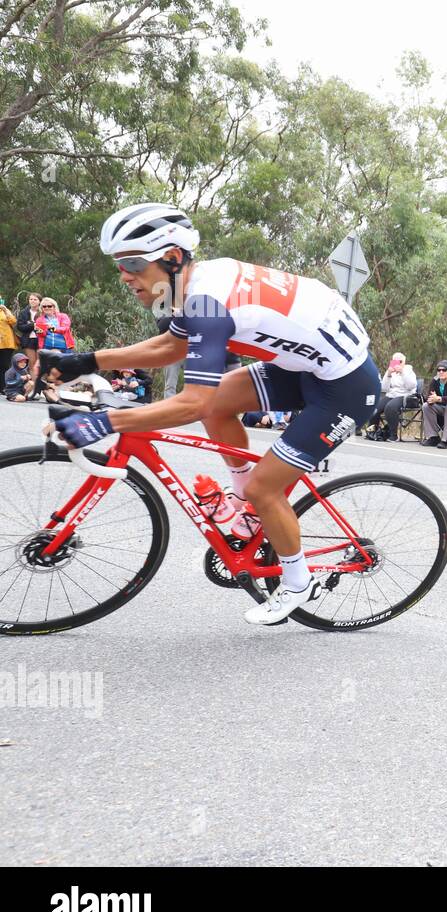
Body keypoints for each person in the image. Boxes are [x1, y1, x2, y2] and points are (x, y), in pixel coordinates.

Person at [43, 201, 380, 625]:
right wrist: (90, 360)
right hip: (302, 368)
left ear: (171, 257)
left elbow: (191, 401)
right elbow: (172, 347)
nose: (124, 275)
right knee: (219, 407)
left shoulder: (208, 303)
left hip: (346, 389)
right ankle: (244, 509)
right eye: (119, 265)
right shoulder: (198, 283)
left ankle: (297, 581)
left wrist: (102, 422)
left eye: (132, 262)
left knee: (265, 487)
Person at [369, 352, 417, 441]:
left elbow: (411, 386)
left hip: (406, 396)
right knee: (375, 406)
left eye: (400, 361)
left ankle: (393, 435)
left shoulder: (408, 371)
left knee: (390, 407)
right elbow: (384, 388)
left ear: (404, 362)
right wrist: (389, 375)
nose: (397, 363)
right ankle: (372, 431)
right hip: (391, 395)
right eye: (395, 361)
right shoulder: (390, 371)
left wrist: (402, 373)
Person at [421, 360, 447, 448]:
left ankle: (445, 440)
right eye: (439, 370)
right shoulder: (435, 380)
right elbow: (429, 396)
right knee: (426, 406)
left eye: (444, 370)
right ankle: (434, 437)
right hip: (441, 408)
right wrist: (431, 399)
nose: (441, 372)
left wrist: (439, 399)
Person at [16, 292, 41, 376]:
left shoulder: (43, 312)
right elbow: (20, 327)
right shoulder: (24, 312)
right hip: (28, 340)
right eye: (31, 299)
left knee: (41, 363)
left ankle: (43, 385)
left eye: (35, 299)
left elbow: (46, 325)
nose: (32, 301)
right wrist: (32, 325)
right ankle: (34, 386)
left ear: (39, 301)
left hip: (41, 340)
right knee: (32, 363)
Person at [0, 295, 18, 371]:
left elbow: (13, 321)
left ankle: (3, 383)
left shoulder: (4, 311)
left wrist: (6, 310)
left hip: (6, 343)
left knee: (4, 366)